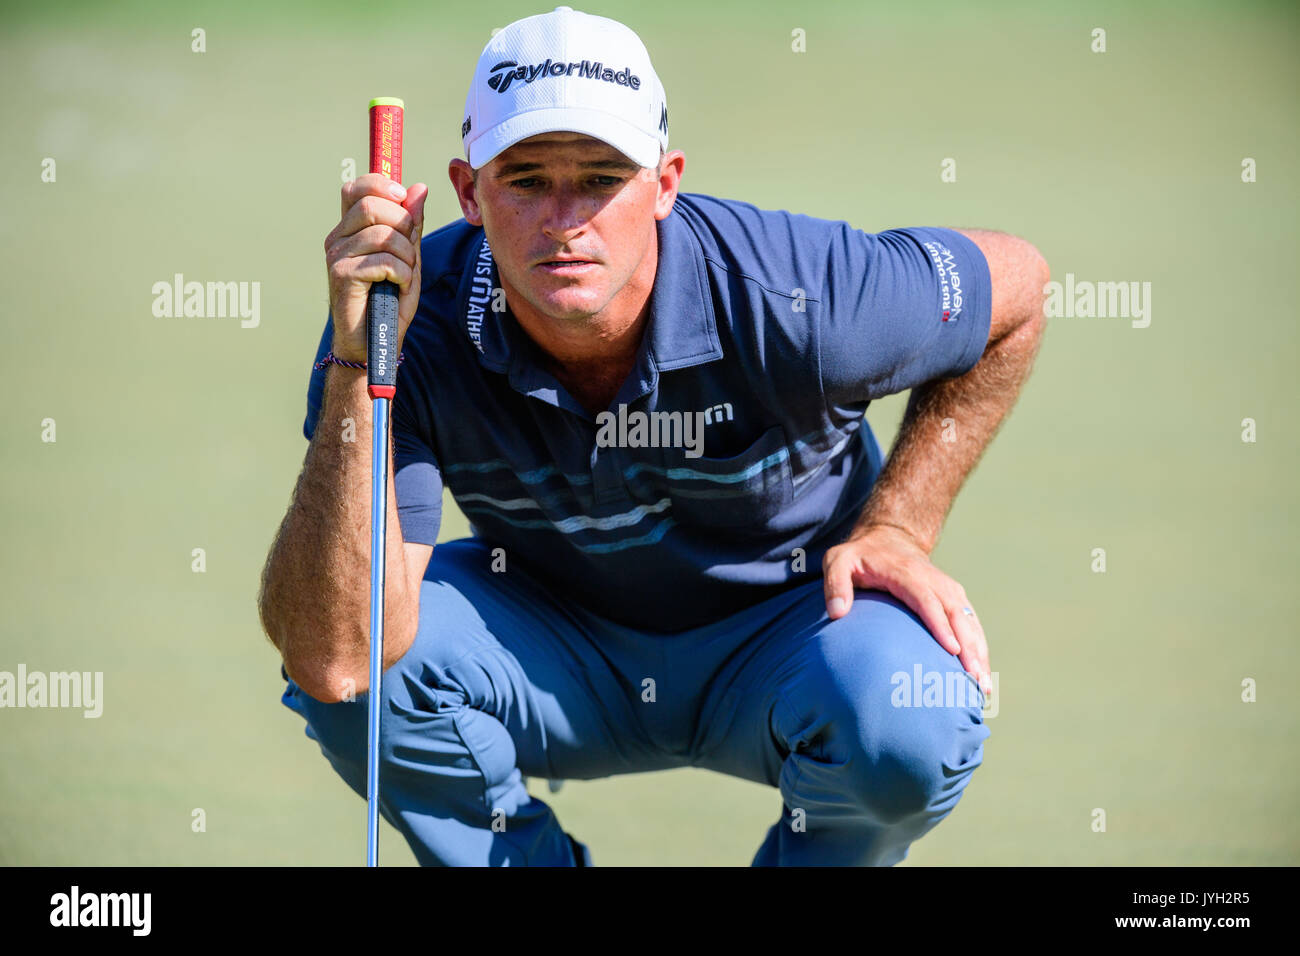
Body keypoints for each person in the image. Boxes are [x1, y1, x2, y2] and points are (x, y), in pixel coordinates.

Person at [258, 5, 1048, 866]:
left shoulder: (803, 295)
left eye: (602, 179)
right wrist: (351, 363)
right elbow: (337, 659)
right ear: (466, 192)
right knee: (368, 679)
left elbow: (1019, 286)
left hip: (796, 631)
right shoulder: (402, 318)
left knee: (911, 711)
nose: (565, 219)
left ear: (665, 184)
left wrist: (901, 523)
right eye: (525, 180)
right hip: (554, 644)